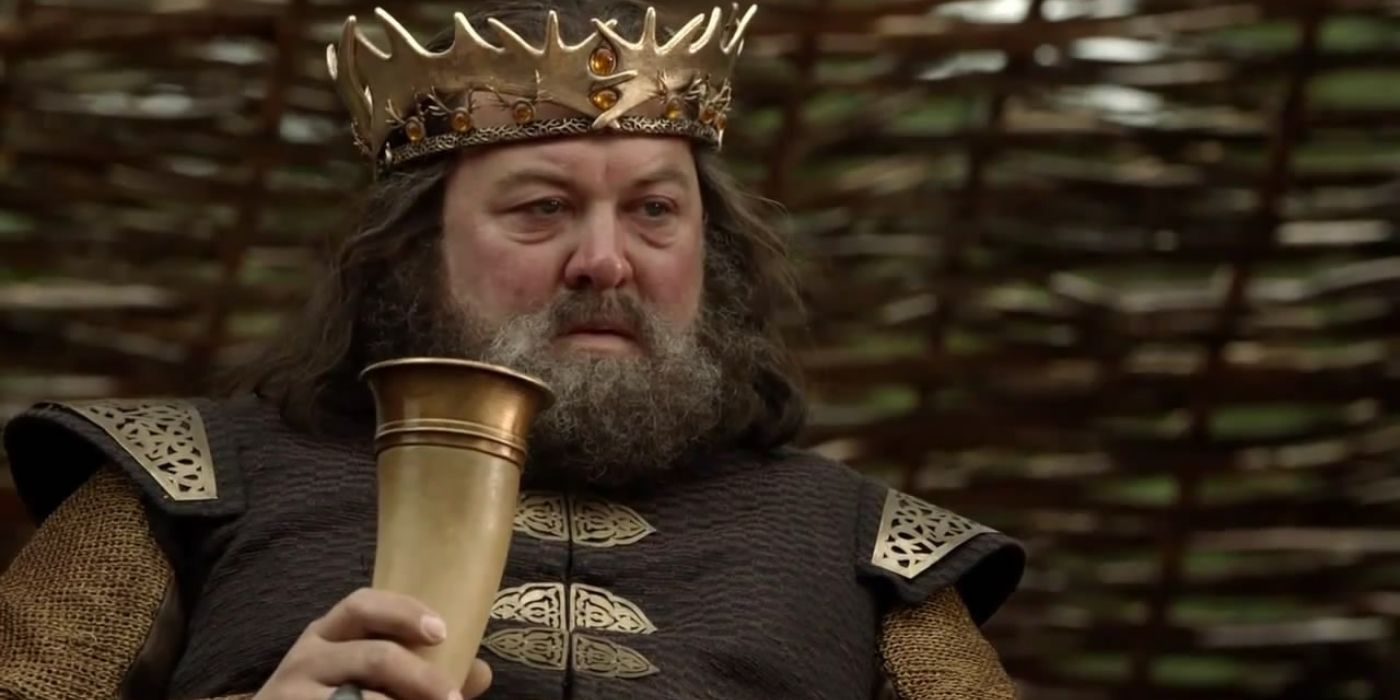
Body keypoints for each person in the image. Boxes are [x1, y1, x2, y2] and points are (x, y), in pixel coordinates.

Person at [0, 2, 1025, 698]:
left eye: (654, 211)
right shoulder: (187, 486)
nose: (603, 260)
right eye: (541, 208)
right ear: (413, 255)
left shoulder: (860, 548)